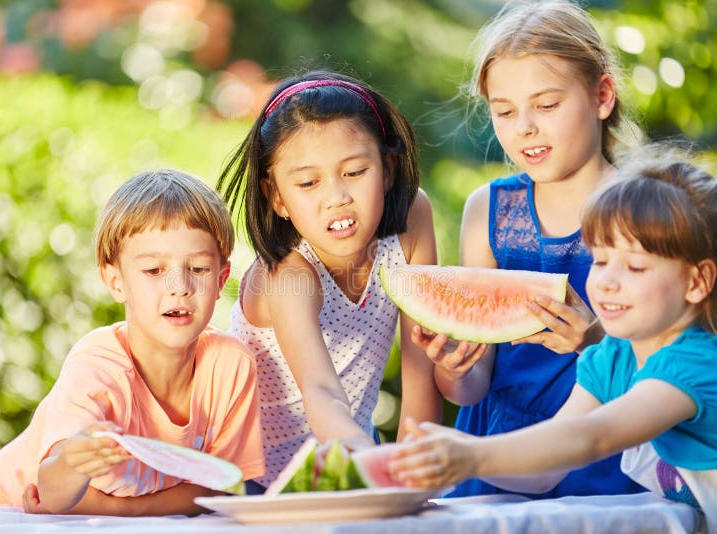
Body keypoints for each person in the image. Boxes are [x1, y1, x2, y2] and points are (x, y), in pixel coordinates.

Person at [390, 151, 717, 530]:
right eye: (599, 260)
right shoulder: (614, 356)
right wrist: (444, 463)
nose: (607, 281)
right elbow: (543, 474)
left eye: (635, 267)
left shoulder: (694, 362)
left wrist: (470, 454)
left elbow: (593, 437)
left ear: (697, 282)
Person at [411, 0, 647, 498]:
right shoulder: (489, 212)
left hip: (608, 455)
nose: (525, 128)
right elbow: (473, 387)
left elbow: (673, 364)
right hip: (499, 452)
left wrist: (594, 339)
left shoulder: (647, 210)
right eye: (504, 111)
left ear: (602, 95)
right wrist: (454, 367)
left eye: (546, 105)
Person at [0, 169, 264, 515]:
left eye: (198, 269)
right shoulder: (98, 368)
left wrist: (124, 510)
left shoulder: (231, 366)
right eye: (153, 270)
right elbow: (53, 497)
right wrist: (75, 468)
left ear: (221, 279)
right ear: (115, 281)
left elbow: (219, 490)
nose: (179, 285)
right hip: (3, 507)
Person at [217, 70, 444, 491]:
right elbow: (320, 389)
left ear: (388, 168)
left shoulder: (413, 219)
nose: (336, 197)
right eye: (308, 182)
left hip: (358, 449)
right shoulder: (287, 275)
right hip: (272, 481)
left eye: (355, 172)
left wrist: (419, 479)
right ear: (277, 197)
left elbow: (420, 369)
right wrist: (365, 457)